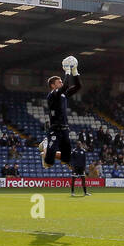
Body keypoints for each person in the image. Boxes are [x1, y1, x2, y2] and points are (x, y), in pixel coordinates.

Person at [42, 57, 86, 196]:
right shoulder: (52, 95)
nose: (62, 82)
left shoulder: (63, 95)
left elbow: (78, 86)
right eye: (59, 81)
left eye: (61, 80)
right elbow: (66, 85)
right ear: (53, 86)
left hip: (65, 130)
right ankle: (46, 148)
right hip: (55, 129)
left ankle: (45, 150)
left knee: (66, 159)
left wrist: (75, 71)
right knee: (48, 162)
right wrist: (67, 70)